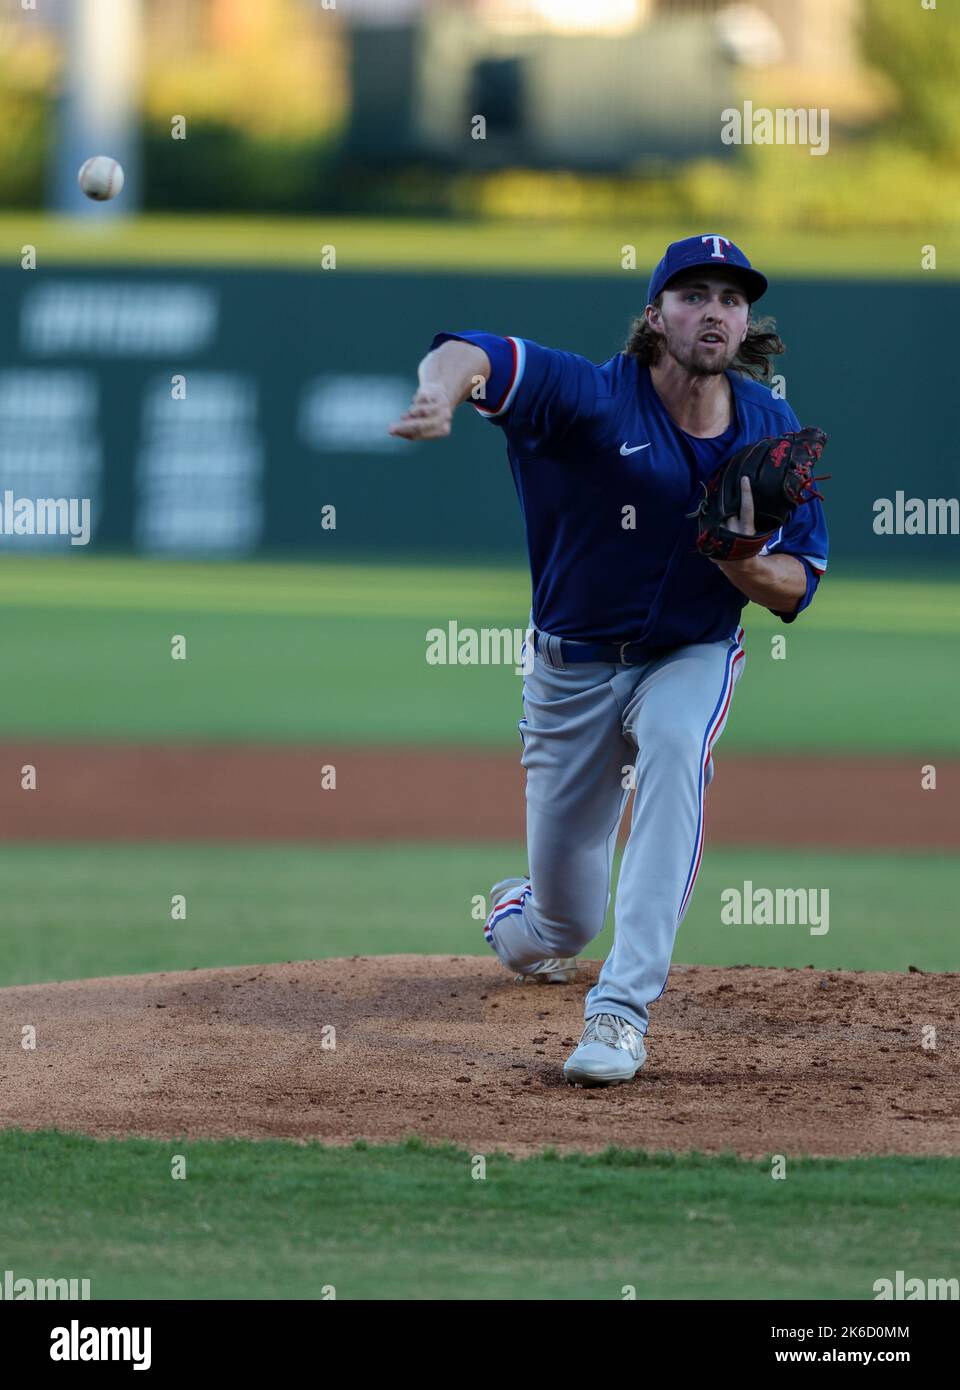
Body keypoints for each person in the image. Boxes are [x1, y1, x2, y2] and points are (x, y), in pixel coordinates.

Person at [388, 234, 829, 1087]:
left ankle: (621, 1014)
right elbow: (467, 352)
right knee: (560, 926)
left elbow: (793, 587)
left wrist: (736, 557)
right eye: (694, 294)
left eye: (732, 299)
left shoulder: (770, 429)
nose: (715, 311)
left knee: (675, 746)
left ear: (747, 322)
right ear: (656, 314)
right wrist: (437, 396)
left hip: (690, 652)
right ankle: (522, 917)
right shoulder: (589, 397)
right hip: (571, 670)